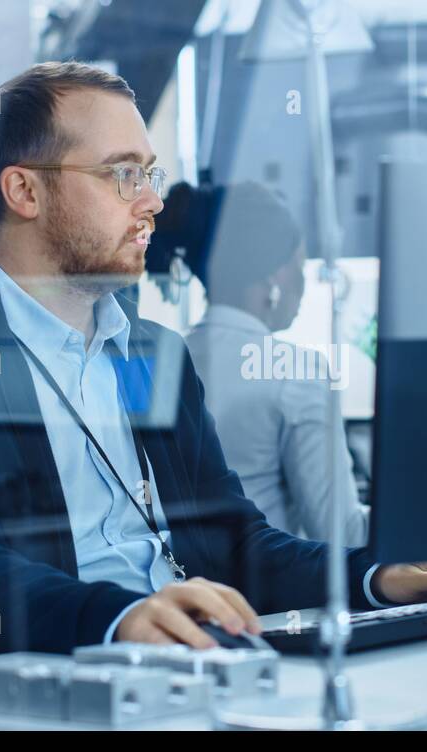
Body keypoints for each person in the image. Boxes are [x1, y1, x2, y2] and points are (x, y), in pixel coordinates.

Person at [0, 61, 427, 668]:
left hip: (187, 668)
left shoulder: (147, 352)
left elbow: (235, 541)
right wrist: (117, 618)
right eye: (123, 175)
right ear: (25, 193)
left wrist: (376, 574)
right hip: (51, 677)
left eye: (150, 174)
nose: (151, 201)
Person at [147, 181, 370, 546]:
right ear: (274, 278)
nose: (303, 287)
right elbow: (342, 536)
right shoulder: (296, 372)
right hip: (269, 593)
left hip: (180, 591)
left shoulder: (161, 360)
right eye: (299, 268)